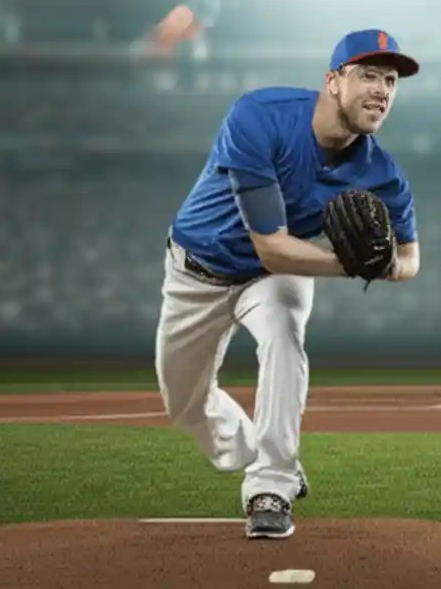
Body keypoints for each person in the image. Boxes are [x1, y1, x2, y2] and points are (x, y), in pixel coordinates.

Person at [155, 29, 421, 539]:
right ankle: (261, 448)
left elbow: (411, 260)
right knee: (184, 403)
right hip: (198, 270)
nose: (383, 89)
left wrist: (385, 262)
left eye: (391, 80)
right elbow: (269, 244)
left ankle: (270, 486)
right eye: (368, 74)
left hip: (278, 277)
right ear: (333, 81)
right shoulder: (261, 116)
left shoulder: (383, 174)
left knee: (284, 336)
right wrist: (353, 264)